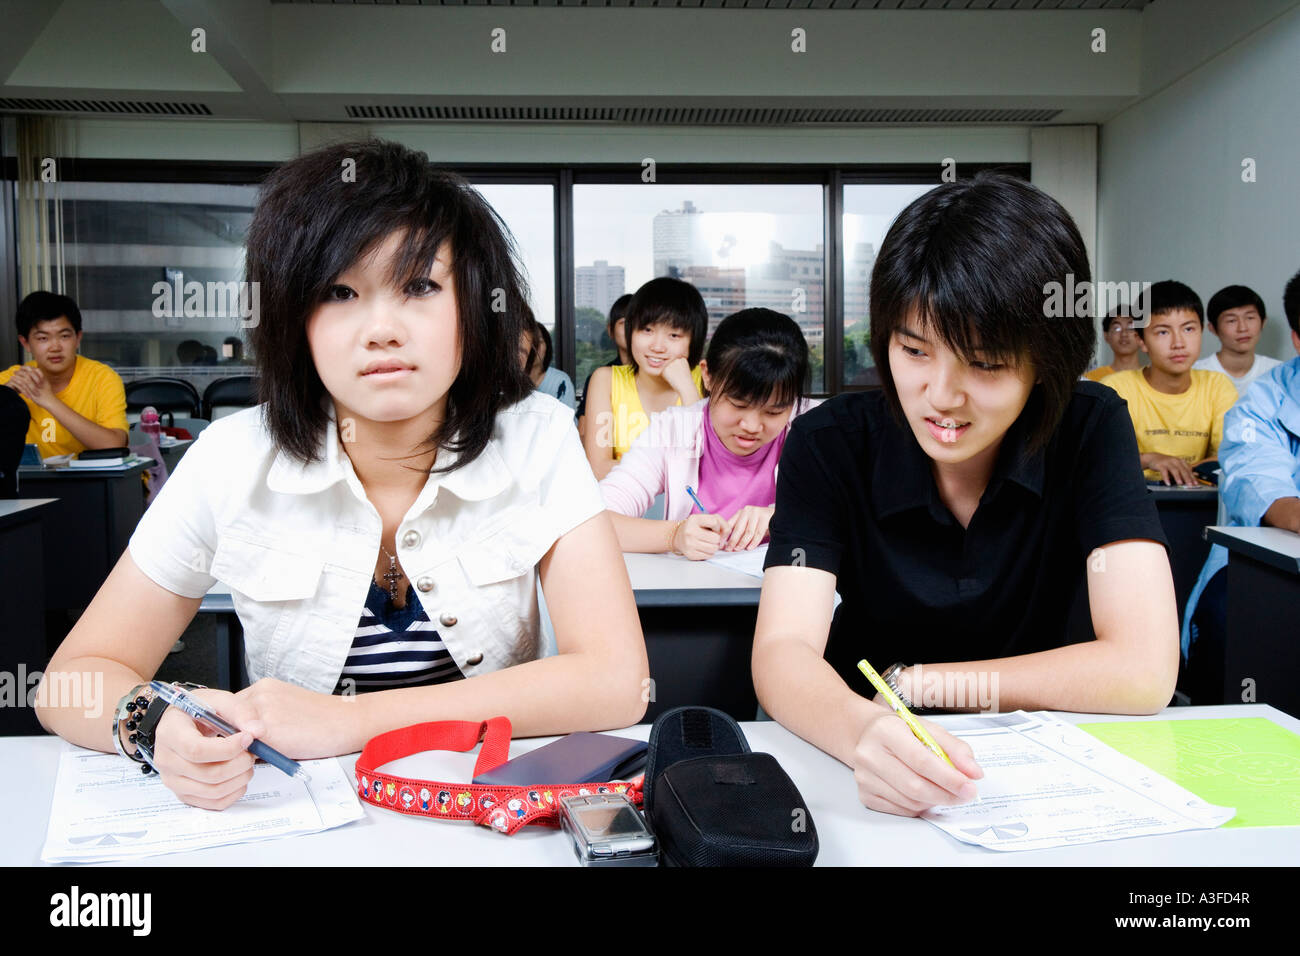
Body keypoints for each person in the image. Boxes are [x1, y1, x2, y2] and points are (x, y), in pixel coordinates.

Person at [36, 139, 648, 811]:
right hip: (293, 817)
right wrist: (155, 726)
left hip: (483, 813)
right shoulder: (231, 458)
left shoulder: (536, 438)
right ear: (295, 321)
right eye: (340, 292)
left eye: (419, 286)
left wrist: (352, 722)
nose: (382, 329)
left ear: (472, 309)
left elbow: (617, 680)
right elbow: (70, 680)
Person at [752, 173, 1178, 817]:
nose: (942, 395)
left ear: (1048, 362)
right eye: (914, 350)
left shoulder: (1091, 425)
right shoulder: (828, 442)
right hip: (868, 772)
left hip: (1052, 774)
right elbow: (782, 651)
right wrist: (863, 729)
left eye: (984, 363)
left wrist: (921, 683)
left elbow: (1145, 669)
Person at [601, 308, 817, 559]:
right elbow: (596, 520)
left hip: (790, 589)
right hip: (694, 591)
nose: (752, 425)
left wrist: (782, 517)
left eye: (773, 412)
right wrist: (674, 536)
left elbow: (854, 516)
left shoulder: (814, 428)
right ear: (708, 375)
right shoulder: (672, 430)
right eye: (738, 405)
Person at [1181, 269, 1300, 701]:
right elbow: (1272, 499)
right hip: (1262, 571)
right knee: (1229, 624)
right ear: (1298, 340)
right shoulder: (1260, 404)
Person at [1101, 281, 1238, 486]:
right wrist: (1149, 459)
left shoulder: (1218, 386)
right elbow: (1098, 461)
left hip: (1200, 501)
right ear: (1141, 340)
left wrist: (1179, 470)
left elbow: (1232, 455)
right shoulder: (1115, 389)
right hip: (1131, 501)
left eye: (1189, 329)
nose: (1178, 343)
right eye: (1163, 332)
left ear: (1202, 330)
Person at [582, 277, 706, 480]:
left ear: (694, 340)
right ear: (631, 332)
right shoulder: (606, 380)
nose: (657, 346)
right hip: (622, 508)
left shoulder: (706, 379)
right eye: (647, 330)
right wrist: (678, 466)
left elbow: (707, 465)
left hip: (691, 511)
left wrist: (687, 388)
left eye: (674, 335)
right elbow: (598, 468)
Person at [0, 291, 128, 458]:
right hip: (28, 482)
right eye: (43, 338)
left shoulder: (103, 379)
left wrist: (48, 400)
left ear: (78, 338)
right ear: (26, 343)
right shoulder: (12, 380)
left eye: (64, 336)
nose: (55, 347)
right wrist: (5, 398)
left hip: (88, 480)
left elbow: (115, 443)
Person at [1193, 284, 1282, 396]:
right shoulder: (1195, 374)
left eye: (1250, 318)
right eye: (1231, 320)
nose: (1242, 328)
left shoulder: (1278, 373)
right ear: (1213, 328)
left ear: (1263, 322)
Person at [576, 293, 632, 429]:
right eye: (624, 323)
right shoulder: (600, 378)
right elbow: (584, 431)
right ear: (610, 330)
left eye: (640, 323)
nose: (631, 329)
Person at [519, 312, 576, 410]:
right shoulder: (509, 379)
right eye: (530, 343)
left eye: (539, 342)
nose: (534, 348)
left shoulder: (560, 381)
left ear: (547, 346)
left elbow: (566, 420)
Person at [1084, 307, 1142, 382]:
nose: (1124, 334)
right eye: (1117, 328)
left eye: (1130, 327)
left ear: (1141, 335)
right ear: (1106, 335)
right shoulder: (1091, 378)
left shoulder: (1151, 378)